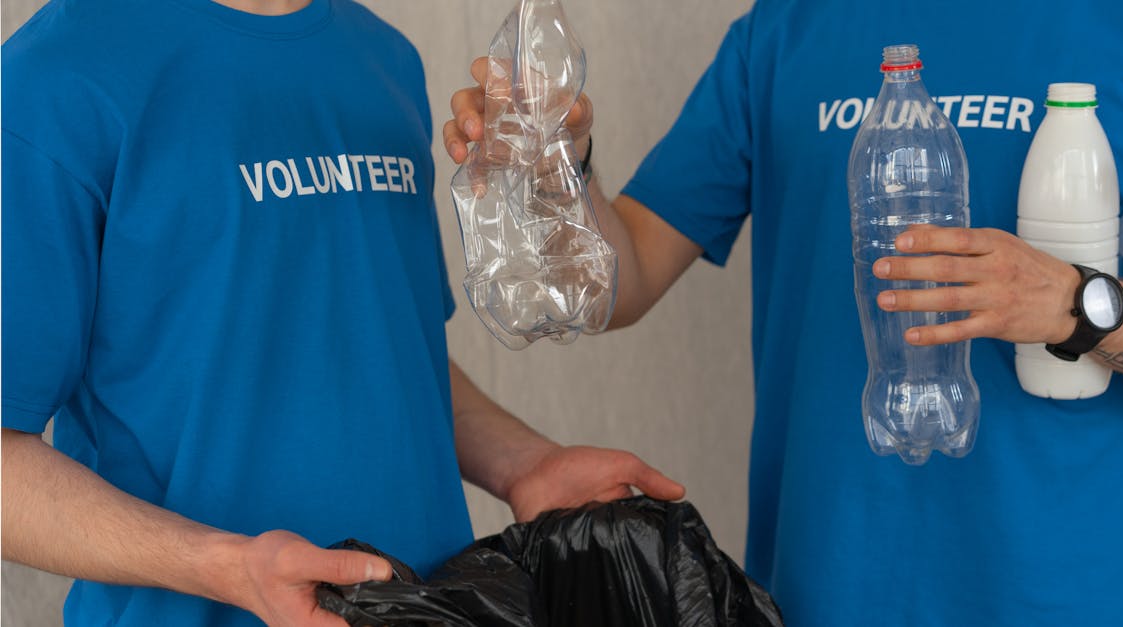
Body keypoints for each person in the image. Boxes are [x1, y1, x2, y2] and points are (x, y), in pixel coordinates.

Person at [444, 0, 1123, 624]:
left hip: (1077, 595)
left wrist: (1075, 305)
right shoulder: (782, 32)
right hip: (829, 592)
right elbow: (622, 278)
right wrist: (556, 168)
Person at [0, 1, 686, 625]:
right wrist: (228, 567)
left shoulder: (383, 59)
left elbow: (385, 350)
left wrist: (527, 464)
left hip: (432, 606)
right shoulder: (56, 75)